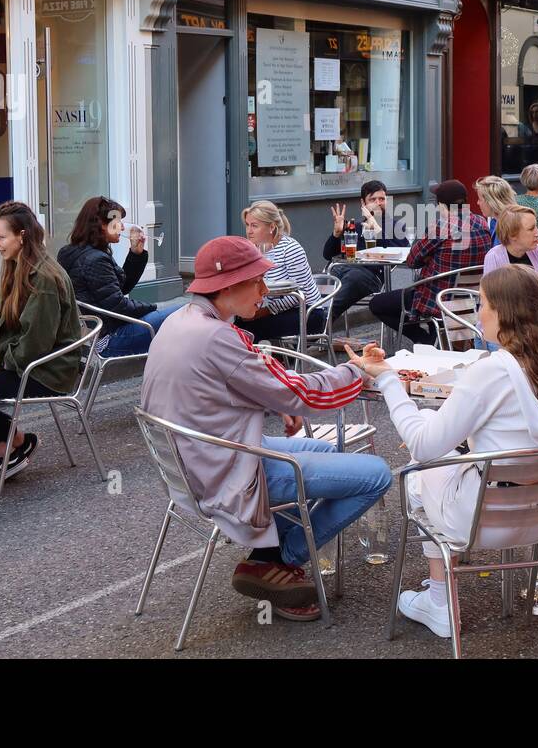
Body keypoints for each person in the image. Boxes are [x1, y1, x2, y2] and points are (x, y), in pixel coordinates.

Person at [141, 236, 391, 622]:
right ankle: (276, 560)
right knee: (376, 475)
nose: (266, 289)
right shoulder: (216, 336)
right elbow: (302, 396)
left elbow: (229, 385)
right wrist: (357, 372)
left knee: (325, 453)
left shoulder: (181, 320)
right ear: (226, 287)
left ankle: (272, 560)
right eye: (256, 280)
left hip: (194, 464)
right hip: (228, 473)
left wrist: (275, 401)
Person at [347, 265, 538, 639]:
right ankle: (440, 596)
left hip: (477, 522)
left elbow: (423, 445)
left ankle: (439, 600)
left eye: (483, 303)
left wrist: (386, 379)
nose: (478, 312)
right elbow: (518, 432)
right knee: (440, 450)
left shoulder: (494, 371)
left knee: (418, 468)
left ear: (504, 312)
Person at [0, 201, 82, 478]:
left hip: (48, 371)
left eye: (0, 237)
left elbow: (35, 344)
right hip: (30, 362)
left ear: (22, 235)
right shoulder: (17, 266)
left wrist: (0, 360)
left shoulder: (43, 277)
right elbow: (15, 332)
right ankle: (14, 441)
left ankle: (6, 448)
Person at [370, 180, 493, 345]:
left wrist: (430, 258)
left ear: (441, 205)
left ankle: (424, 340)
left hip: (437, 299)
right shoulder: (482, 222)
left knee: (376, 303)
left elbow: (412, 261)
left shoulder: (441, 227)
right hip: (470, 298)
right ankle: (438, 341)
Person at [58, 197, 179, 359]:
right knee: (185, 311)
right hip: (112, 338)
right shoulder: (95, 259)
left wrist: (136, 254)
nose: (122, 227)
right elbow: (118, 305)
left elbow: (117, 290)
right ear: (102, 224)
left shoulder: (75, 252)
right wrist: (152, 307)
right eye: (118, 222)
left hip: (102, 332)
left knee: (182, 318)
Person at [237, 201, 323, 343]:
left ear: (271, 227)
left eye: (254, 226)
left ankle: (264, 362)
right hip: (278, 310)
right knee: (235, 325)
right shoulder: (255, 249)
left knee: (247, 330)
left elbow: (300, 295)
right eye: (247, 225)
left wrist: (261, 313)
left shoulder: (290, 249)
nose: (249, 231)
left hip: (307, 313)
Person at [323, 180, 410, 320]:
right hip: (343, 270)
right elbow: (327, 255)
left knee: (346, 286)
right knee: (323, 283)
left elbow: (403, 253)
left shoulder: (396, 226)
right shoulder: (355, 227)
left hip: (369, 276)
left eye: (382, 199)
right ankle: (311, 323)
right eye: (372, 199)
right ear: (363, 203)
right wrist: (336, 234)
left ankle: (316, 326)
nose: (378, 203)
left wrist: (375, 227)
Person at [483, 204, 538, 282]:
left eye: (536, 227)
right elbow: (491, 293)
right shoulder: (494, 257)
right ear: (512, 235)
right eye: (531, 229)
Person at [475, 174, 517, 244]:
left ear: (491, 201)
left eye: (480, 199)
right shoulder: (495, 221)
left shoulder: (508, 228)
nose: (477, 203)